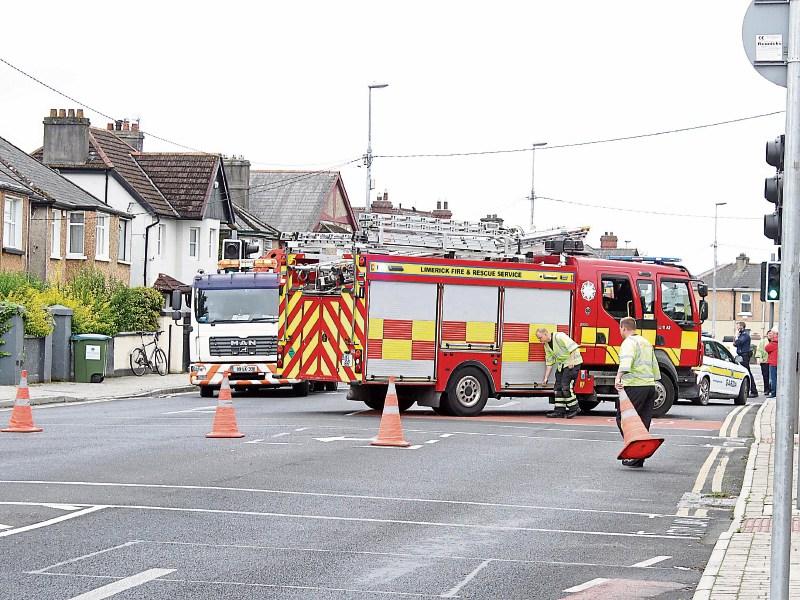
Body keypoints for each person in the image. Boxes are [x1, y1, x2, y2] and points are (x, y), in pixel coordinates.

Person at [614, 317, 660, 468]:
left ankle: (635, 453)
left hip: (635, 385)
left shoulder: (629, 343)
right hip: (649, 386)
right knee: (642, 422)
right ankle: (639, 458)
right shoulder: (645, 342)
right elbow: (654, 364)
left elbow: (626, 361)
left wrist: (618, 377)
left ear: (623, 328)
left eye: (620, 329)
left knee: (624, 419)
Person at [537, 328, 582, 419]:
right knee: (557, 388)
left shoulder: (560, 336)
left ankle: (574, 408)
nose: (540, 340)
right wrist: (545, 378)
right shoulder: (546, 345)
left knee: (565, 386)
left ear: (546, 334)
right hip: (562, 365)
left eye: (540, 337)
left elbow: (573, 347)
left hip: (572, 363)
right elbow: (549, 362)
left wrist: (571, 361)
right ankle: (559, 410)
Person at [733, 322, 758, 397]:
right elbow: (735, 344)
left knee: (747, 373)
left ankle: (753, 391)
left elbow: (738, 342)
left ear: (742, 327)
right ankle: (748, 390)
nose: (737, 329)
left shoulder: (745, 335)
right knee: (744, 373)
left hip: (744, 356)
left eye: (738, 327)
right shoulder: (741, 335)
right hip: (741, 355)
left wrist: (736, 338)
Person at [755, 331, 771, 397]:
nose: (770, 335)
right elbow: (759, 350)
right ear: (767, 335)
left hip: (772, 361)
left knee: (772, 376)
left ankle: (771, 389)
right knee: (765, 376)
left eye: (771, 334)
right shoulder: (763, 341)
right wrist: (759, 358)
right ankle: (766, 390)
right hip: (764, 361)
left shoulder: (776, 341)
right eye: (769, 334)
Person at [765, 329, 779, 399]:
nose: (771, 335)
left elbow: (766, 348)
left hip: (773, 363)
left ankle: (773, 393)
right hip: (779, 363)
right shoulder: (780, 342)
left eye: (773, 334)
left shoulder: (774, 342)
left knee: (773, 379)